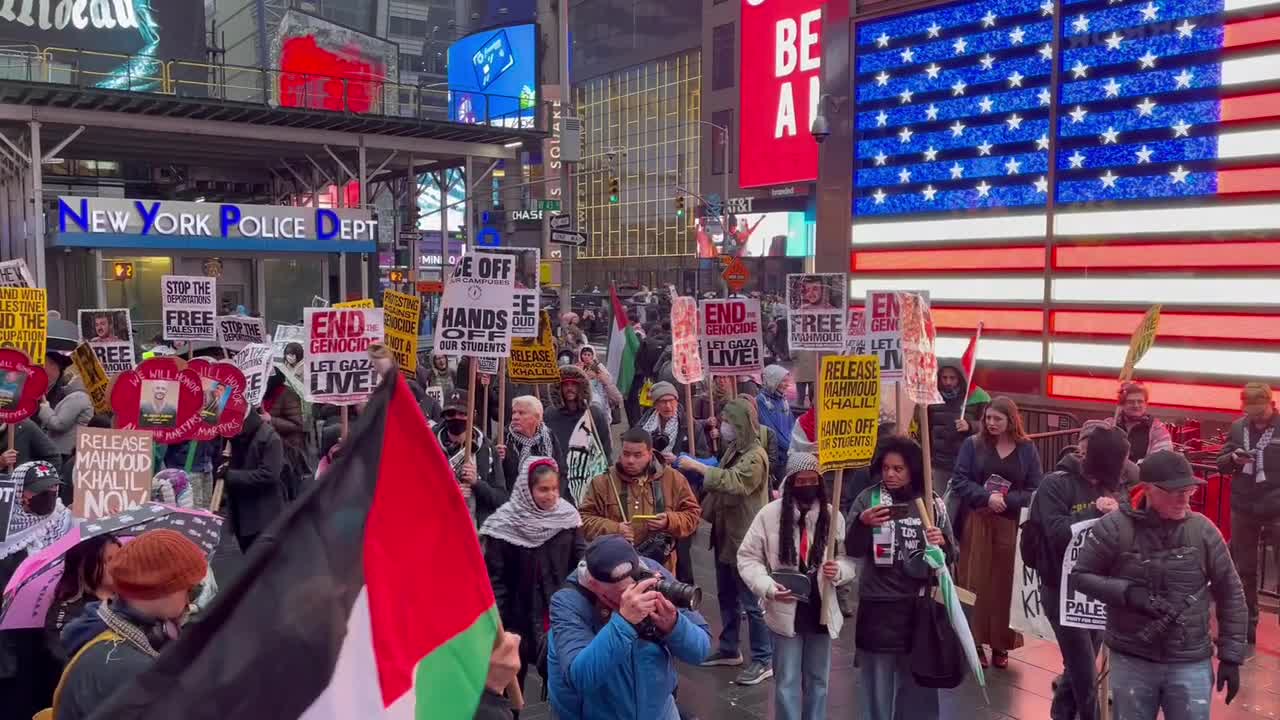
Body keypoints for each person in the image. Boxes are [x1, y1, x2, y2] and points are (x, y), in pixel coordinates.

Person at [1071, 450, 1248, 720]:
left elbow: (1231, 592)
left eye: (1188, 490)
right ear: (1148, 490)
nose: (1185, 498)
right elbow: (1081, 576)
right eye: (1175, 491)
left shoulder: (1203, 530)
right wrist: (1128, 593)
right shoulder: (1114, 528)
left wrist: (1232, 656)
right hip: (1132, 658)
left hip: (1191, 660)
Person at [738, 452, 856, 720]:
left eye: (811, 481)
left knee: (818, 680)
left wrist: (839, 571)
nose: (806, 486)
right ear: (790, 483)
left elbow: (848, 559)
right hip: (784, 607)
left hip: (821, 609)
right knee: (787, 681)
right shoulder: (768, 515)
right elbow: (747, 557)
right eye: (800, 481)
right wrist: (766, 586)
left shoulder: (832, 514)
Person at [847, 436, 956, 720]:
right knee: (877, 688)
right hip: (879, 605)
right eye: (886, 468)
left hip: (919, 608)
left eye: (898, 469)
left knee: (918, 686)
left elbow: (952, 553)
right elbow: (851, 549)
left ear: (913, 470)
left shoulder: (931, 502)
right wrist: (862, 524)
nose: (890, 475)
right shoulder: (868, 499)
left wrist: (941, 542)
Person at [545, 535, 711, 720]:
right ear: (594, 585)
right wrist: (624, 622)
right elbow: (581, 678)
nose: (632, 599)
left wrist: (674, 625)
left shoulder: (653, 574)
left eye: (633, 589)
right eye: (620, 594)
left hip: (660, 711)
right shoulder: (567, 602)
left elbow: (701, 650)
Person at [1028, 425, 1130, 720]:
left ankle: (1060, 713)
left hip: (1096, 588)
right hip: (1059, 587)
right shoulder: (1055, 484)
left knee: (1077, 667)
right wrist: (1094, 512)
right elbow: (1057, 532)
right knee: (1085, 671)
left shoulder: (1113, 485)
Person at [52, 529, 209, 720]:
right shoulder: (128, 668)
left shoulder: (108, 632)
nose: (189, 601)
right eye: (191, 590)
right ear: (163, 589)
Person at [675, 398, 773, 685]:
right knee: (727, 595)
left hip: (745, 538)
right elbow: (721, 468)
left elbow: (735, 481)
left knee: (751, 602)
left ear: (740, 423)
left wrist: (700, 468)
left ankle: (763, 658)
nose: (723, 426)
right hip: (725, 533)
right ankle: (730, 647)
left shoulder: (755, 456)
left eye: (728, 421)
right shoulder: (735, 448)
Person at [949, 395, 1042, 667]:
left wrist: (1009, 501)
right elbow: (959, 480)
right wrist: (985, 497)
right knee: (974, 578)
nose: (991, 423)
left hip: (1009, 523)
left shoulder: (1027, 449)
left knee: (1004, 583)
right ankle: (974, 640)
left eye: (997, 419)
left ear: (1010, 420)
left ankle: (1002, 643)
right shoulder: (972, 445)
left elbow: (1035, 488)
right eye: (988, 418)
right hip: (976, 518)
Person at [480, 457, 584, 695]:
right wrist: (499, 623)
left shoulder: (567, 518)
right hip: (517, 615)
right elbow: (495, 578)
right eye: (543, 489)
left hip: (556, 610)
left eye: (554, 489)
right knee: (511, 683)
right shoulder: (504, 526)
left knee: (560, 677)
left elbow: (581, 559)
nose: (550, 495)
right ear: (527, 489)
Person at [0, 461, 76, 718]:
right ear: (21, 492)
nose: (51, 494)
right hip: (9, 632)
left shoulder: (64, 521)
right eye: (41, 489)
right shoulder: (4, 526)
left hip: (48, 627)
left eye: (55, 487)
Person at [578, 429, 701, 574]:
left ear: (650, 454)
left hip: (660, 569)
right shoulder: (603, 481)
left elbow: (693, 515)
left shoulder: (674, 479)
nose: (630, 460)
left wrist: (669, 521)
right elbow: (583, 520)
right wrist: (614, 529)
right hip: (615, 568)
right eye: (626, 454)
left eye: (638, 455)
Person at [1217, 382, 1280, 644]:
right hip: (1244, 504)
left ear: (1270, 403)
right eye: (1250, 412)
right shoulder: (1238, 427)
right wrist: (1233, 459)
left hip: (1277, 505)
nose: (1255, 418)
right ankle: (1247, 625)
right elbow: (1221, 462)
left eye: (1259, 412)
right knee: (1244, 569)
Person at [44, 534, 121, 662]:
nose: (118, 565)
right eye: (109, 560)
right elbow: (65, 657)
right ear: (84, 565)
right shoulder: (66, 612)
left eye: (120, 557)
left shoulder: (133, 599)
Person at [437, 389, 508, 526]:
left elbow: (502, 498)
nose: (456, 418)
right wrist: (451, 493)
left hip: (477, 533)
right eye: (451, 414)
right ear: (444, 416)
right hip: (441, 530)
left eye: (462, 414)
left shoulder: (487, 449)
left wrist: (477, 483)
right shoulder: (431, 447)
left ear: (472, 416)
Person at [219, 406, 286, 552]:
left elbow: (269, 474)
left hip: (263, 516)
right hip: (242, 514)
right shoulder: (236, 437)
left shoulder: (270, 438)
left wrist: (230, 475)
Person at [37, 351, 93, 500]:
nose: (68, 374)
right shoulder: (73, 395)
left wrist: (44, 407)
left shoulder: (77, 397)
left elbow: (59, 423)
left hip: (63, 452)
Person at [927, 360, 988, 486]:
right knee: (941, 502)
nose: (948, 382)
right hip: (939, 462)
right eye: (944, 377)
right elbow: (924, 429)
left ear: (959, 378)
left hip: (967, 462)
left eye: (952, 378)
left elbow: (988, 426)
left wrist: (970, 426)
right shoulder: (931, 397)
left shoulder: (977, 397)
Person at [543, 365, 612, 467]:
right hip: (557, 474)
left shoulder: (594, 414)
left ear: (581, 387)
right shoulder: (550, 414)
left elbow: (605, 447)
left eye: (573, 385)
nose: (569, 388)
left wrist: (606, 469)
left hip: (586, 474)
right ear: (559, 388)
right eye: (565, 385)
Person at [501, 395, 566, 497]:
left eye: (521, 413)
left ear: (537, 417)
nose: (515, 417)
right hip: (515, 502)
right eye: (514, 412)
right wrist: (497, 459)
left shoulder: (549, 437)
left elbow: (561, 472)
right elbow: (497, 481)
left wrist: (555, 497)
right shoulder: (504, 439)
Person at [638, 381, 708, 462]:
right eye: (663, 401)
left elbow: (704, 457)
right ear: (655, 404)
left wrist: (677, 459)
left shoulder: (691, 426)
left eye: (671, 401)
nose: (668, 406)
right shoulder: (644, 423)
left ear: (677, 401)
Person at [1109, 381, 1173, 463]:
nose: (1136, 405)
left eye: (1140, 401)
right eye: (1131, 402)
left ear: (1146, 404)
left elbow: (1161, 460)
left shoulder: (1158, 429)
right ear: (1122, 404)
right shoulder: (1110, 424)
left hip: (1144, 474)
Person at [756, 365, 796, 463]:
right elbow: (771, 431)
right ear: (773, 381)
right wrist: (790, 446)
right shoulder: (761, 401)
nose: (787, 384)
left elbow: (793, 425)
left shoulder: (783, 399)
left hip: (789, 451)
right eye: (783, 381)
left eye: (788, 381)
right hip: (775, 455)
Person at [579, 345, 623, 418]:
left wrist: (597, 372)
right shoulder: (579, 366)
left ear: (593, 356)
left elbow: (608, 382)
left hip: (599, 398)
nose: (586, 357)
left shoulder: (599, 367)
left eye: (589, 355)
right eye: (584, 354)